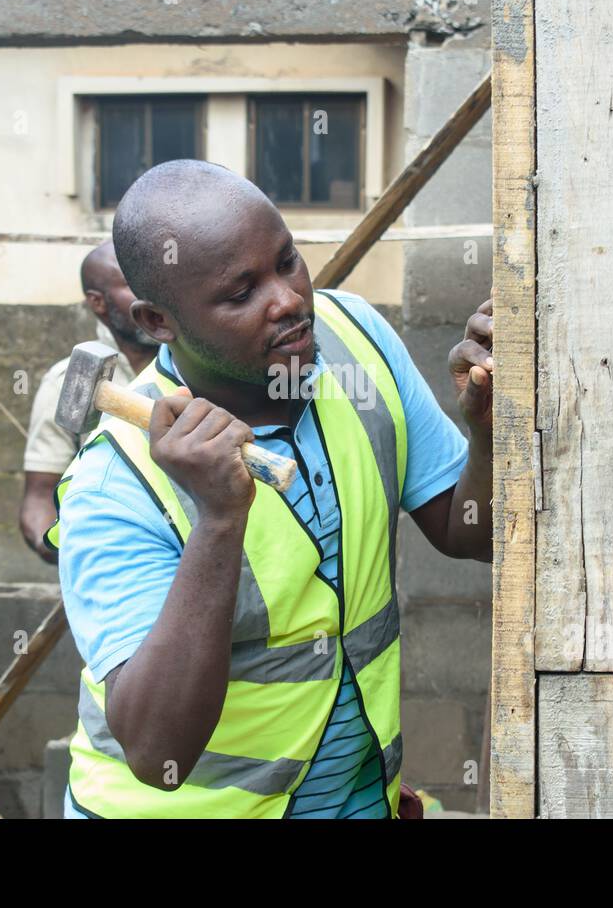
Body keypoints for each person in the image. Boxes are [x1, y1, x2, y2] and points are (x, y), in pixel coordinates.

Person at [47, 160, 493, 818]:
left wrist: (487, 433)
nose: (287, 300)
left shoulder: (357, 343)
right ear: (158, 320)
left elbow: (469, 533)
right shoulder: (115, 480)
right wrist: (220, 521)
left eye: (287, 261)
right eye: (240, 293)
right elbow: (156, 751)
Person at [18, 242, 158, 564]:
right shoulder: (66, 381)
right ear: (98, 302)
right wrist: (65, 551)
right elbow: (39, 497)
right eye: (134, 287)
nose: (151, 297)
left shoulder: (195, 368)